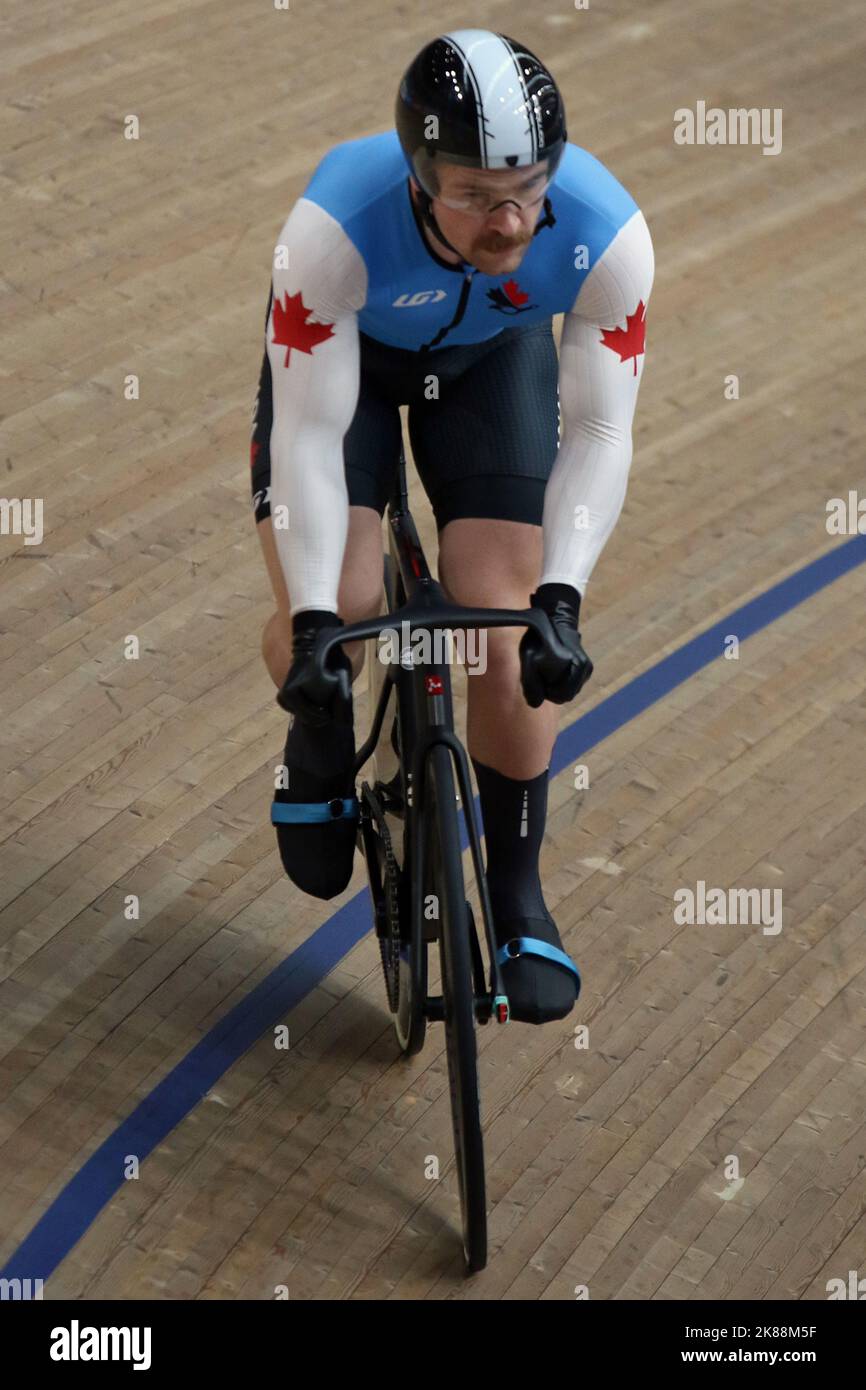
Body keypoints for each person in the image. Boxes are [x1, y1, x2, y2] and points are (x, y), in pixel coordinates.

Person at [250, 29, 654, 1024]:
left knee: (506, 624)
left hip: (486, 364)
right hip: (344, 363)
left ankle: (515, 892)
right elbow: (306, 434)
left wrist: (561, 597)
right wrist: (311, 627)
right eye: (473, 192)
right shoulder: (334, 228)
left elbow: (601, 424)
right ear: (419, 176)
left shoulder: (604, 234)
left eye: (525, 185)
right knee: (342, 598)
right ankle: (317, 736)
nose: (508, 218)